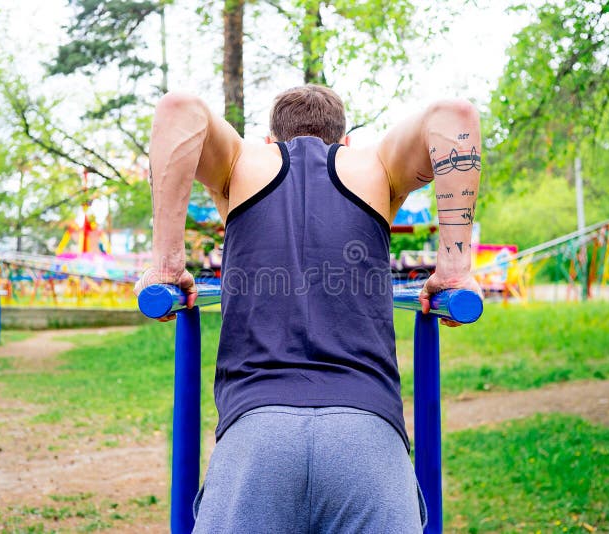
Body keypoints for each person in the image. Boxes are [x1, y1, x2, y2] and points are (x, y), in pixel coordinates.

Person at [134, 85, 482, 533]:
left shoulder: (242, 163)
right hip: (367, 430)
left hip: (256, 431)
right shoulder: (372, 166)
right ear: (346, 141)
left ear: (268, 141)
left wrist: (166, 264)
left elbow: (176, 108)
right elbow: (453, 113)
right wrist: (453, 270)